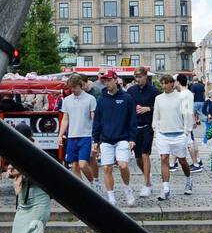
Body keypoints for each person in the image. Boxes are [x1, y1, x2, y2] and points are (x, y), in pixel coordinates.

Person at [91, 69, 137, 207]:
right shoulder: (101, 99)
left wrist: (132, 138)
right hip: (106, 139)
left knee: (123, 165)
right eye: (104, 81)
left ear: (116, 80)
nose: (107, 83)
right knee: (106, 168)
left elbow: (132, 119)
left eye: (109, 80)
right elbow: (97, 121)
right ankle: (111, 196)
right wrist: (95, 140)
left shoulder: (127, 98)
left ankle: (127, 189)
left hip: (122, 137)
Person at [152, 73, 193, 201]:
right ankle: (165, 188)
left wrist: (186, 132)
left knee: (182, 160)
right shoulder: (158, 98)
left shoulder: (181, 97)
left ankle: (188, 180)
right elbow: (156, 115)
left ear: (172, 83)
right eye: (162, 83)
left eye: (166, 83)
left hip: (179, 134)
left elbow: (187, 115)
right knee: (164, 159)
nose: (164, 85)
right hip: (163, 134)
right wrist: (156, 130)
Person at [60, 74, 96, 184]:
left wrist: (95, 137)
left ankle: (93, 183)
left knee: (83, 164)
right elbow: (65, 118)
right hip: (72, 136)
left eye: (74, 87)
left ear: (80, 85)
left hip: (86, 135)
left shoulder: (90, 99)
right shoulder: (67, 100)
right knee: (74, 166)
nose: (72, 90)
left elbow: (94, 119)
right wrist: (60, 135)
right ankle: (82, 189)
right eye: (71, 88)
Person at [131, 66, 159, 197]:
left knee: (145, 154)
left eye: (140, 76)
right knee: (137, 159)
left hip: (148, 126)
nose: (137, 79)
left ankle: (147, 184)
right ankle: (147, 175)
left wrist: (148, 108)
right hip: (135, 127)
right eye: (136, 77)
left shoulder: (154, 91)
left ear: (146, 77)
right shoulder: (131, 90)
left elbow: (159, 108)